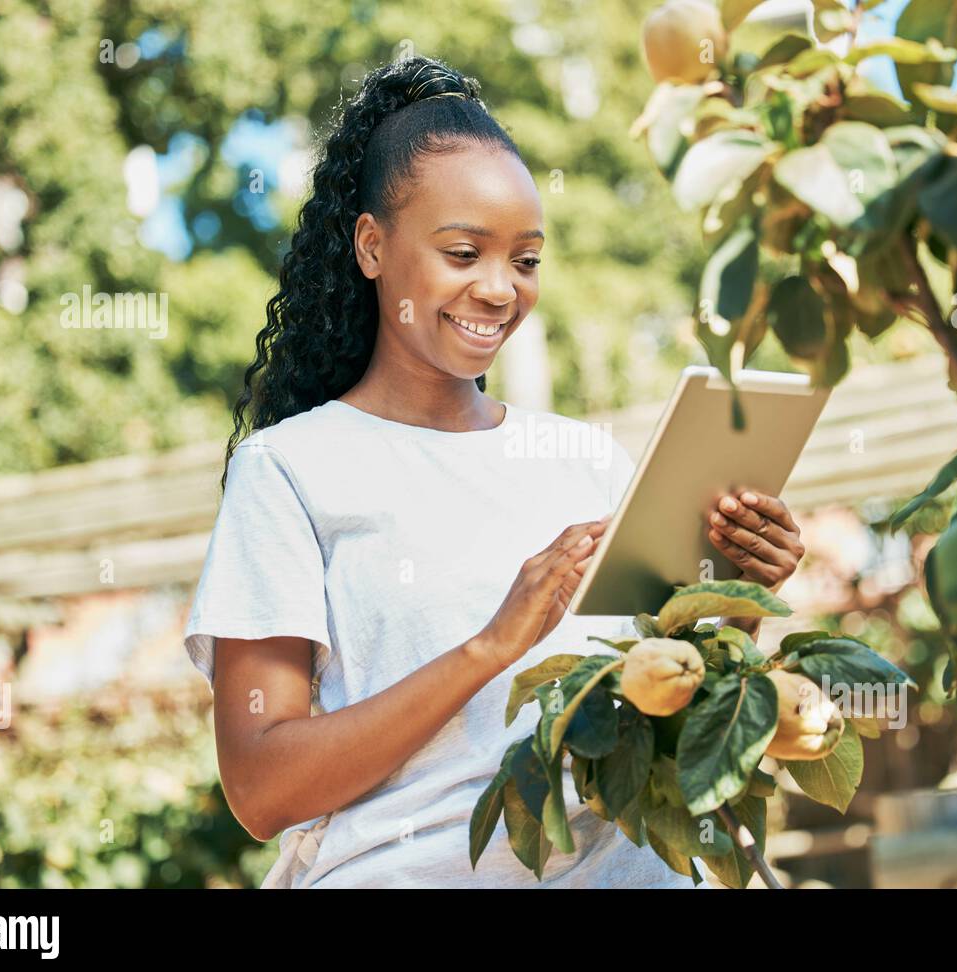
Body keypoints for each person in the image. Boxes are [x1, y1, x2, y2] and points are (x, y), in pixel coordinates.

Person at [183, 55, 805, 888]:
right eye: (464, 251)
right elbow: (262, 786)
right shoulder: (291, 471)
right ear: (372, 246)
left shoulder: (589, 460)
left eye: (525, 260)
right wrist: (492, 643)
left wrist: (738, 601)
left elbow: (666, 728)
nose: (499, 288)